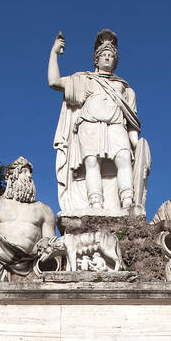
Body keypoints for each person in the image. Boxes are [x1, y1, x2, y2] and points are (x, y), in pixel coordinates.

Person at [48, 29, 148, 213]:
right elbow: (54, 82)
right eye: (104, 55)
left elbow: (132, 122)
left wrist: (137, 143)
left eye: (111, 55)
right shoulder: (84, 80)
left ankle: (127, 202)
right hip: (89, 124)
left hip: (117, 124)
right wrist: (54, 52)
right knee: (92, 162)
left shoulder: (126, 89)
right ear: (97, 59)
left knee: (124, 158)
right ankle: (95, 204)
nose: (108, 58)